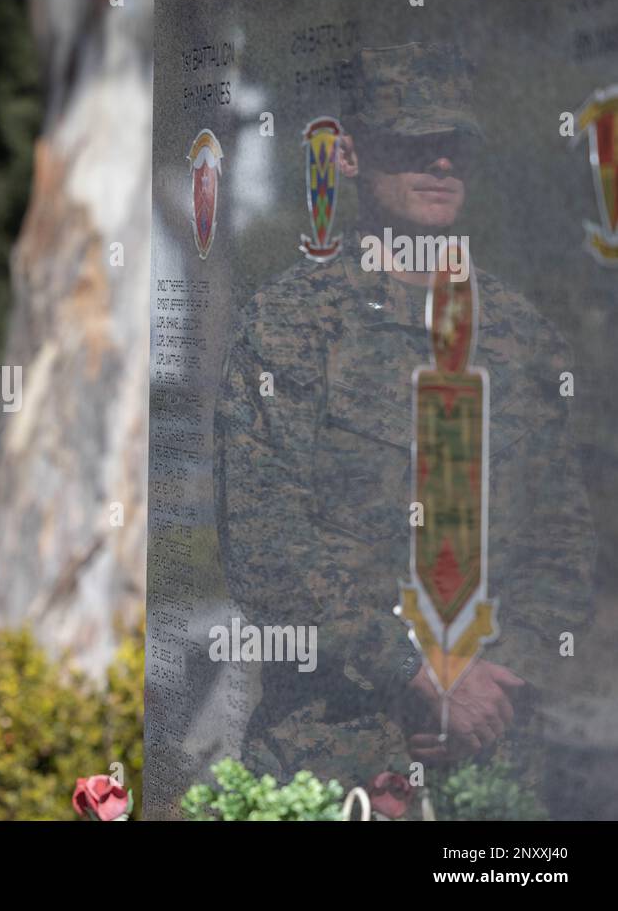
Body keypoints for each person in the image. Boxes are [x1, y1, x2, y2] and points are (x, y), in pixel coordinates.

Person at [214, 43, 595, 811]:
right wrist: (417, 672)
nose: (441, 163)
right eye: (413, 143)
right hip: (330, 756)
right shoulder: (290, 328)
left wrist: (489, 682)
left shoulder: (521, 335)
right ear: (351, 155)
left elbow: (563, 540)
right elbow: (266, 548)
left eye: (455, 145)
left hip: (490, 757)